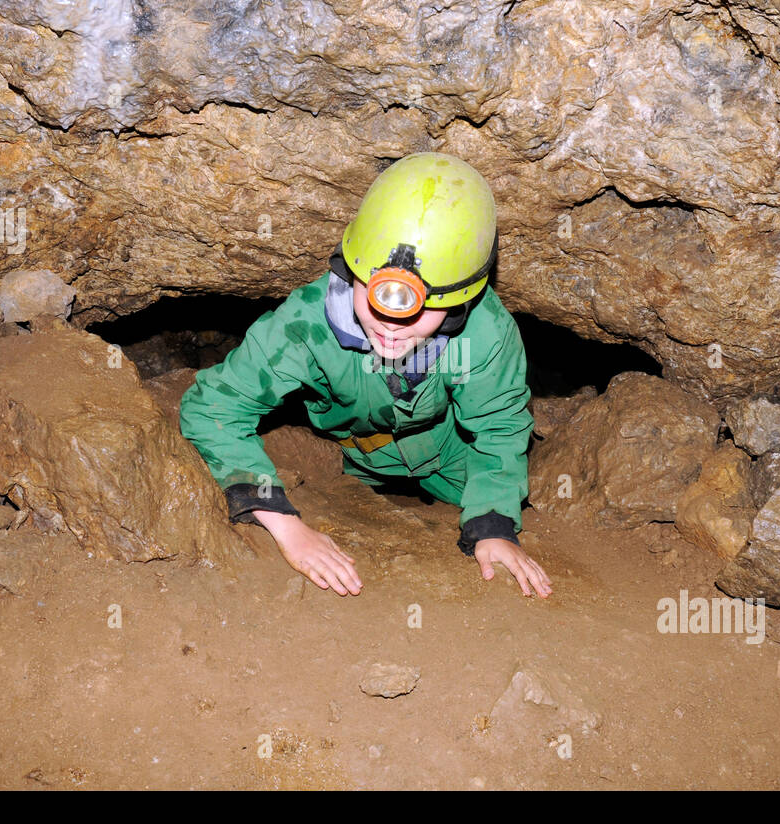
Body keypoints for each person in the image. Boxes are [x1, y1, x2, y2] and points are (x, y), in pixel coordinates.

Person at [179, 152, 551, 599]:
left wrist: (493, 524)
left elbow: (499, 428)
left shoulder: (485, 331)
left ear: (461, 301)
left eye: (422, 310)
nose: (392, 324)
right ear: (351, 269)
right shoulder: (305, 325)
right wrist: (285, 524)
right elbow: (214, 406)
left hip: (450, 454)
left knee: (491, 518)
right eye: (376, 296)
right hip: (355, 457)